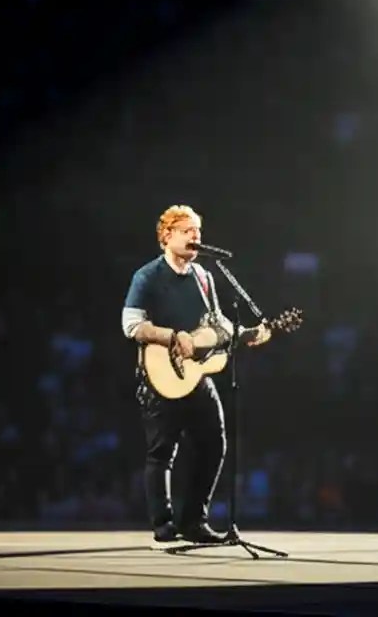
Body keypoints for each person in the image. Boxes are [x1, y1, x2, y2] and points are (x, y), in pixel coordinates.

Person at [122, 204, 270, 544]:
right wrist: (174, 337)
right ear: (167, 236)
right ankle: (163, 524)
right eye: (187, 230)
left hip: (196, 376)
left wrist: (246, 334)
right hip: (159, 374)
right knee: (162, 452)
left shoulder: (204, 277)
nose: (195, 236)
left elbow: (216, 322)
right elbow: (131, 325)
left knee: (214, 443)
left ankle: (194, 522)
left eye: (198, 231)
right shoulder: (147, 276)